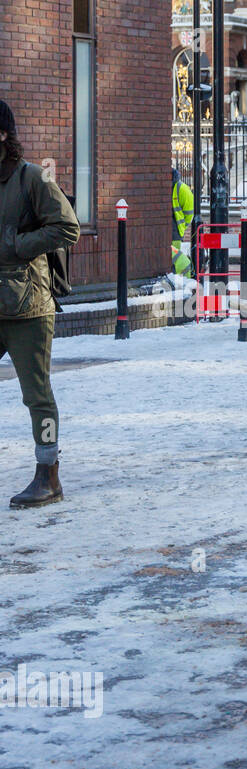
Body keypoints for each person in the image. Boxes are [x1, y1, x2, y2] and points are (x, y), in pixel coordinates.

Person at [1, 100, 80, 509]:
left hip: (28, 306)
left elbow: (68, 228)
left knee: (37, 395)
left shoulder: (33, 177)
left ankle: (48, 476)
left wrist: (20, 245)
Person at [171, 168, 194, 276]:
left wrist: (183, 226)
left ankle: (177, 277)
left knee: (174, 259)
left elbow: (189, 212)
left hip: (175, 230)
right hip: (172, 229)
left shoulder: (182, 189)